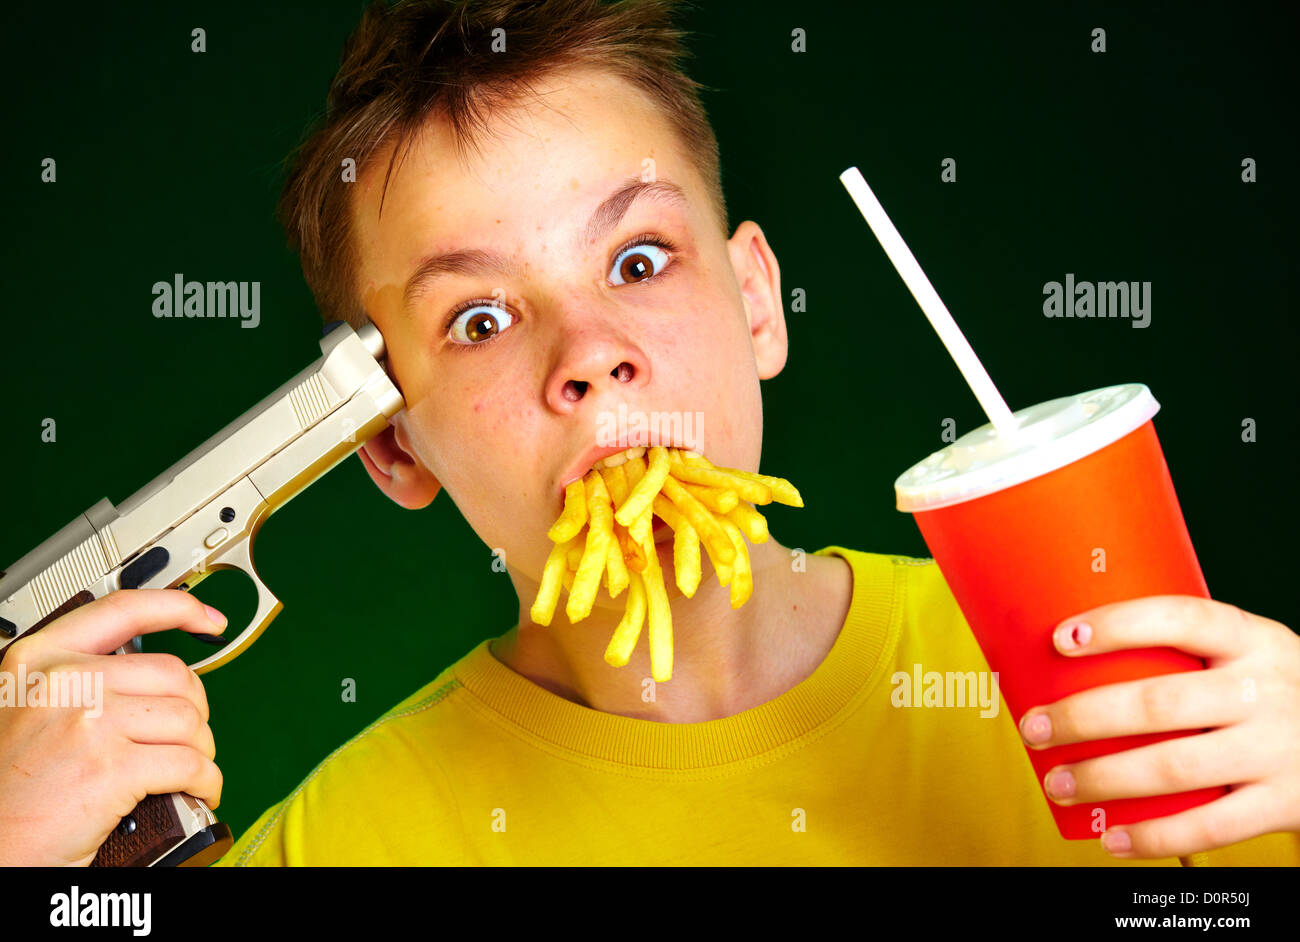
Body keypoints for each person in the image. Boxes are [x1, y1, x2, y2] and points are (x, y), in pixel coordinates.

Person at [3, 0, 1297, 867]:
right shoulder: (336, 844)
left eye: (635, 258)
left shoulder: (1104, 686)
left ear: (755, 301)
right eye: (478, 320)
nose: (588, 354)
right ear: (393, 446)